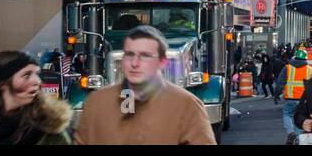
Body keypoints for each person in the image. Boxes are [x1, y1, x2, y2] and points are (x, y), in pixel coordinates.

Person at [74, 26, 215, 144]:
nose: (134, 63)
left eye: (145, 55)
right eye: (129, 54)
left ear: (163, 62)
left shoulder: (187, 106)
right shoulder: (96, 103)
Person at [274, 48, 312, 143]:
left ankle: (291, 133)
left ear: (295, 57)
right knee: (300, 117)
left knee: (287, 114)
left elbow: (280, 82)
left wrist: (276, 95)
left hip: (291, 98)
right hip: (304, 100)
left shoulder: (287, 68)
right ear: (305, 59)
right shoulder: (310, 69)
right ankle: (298, 138)